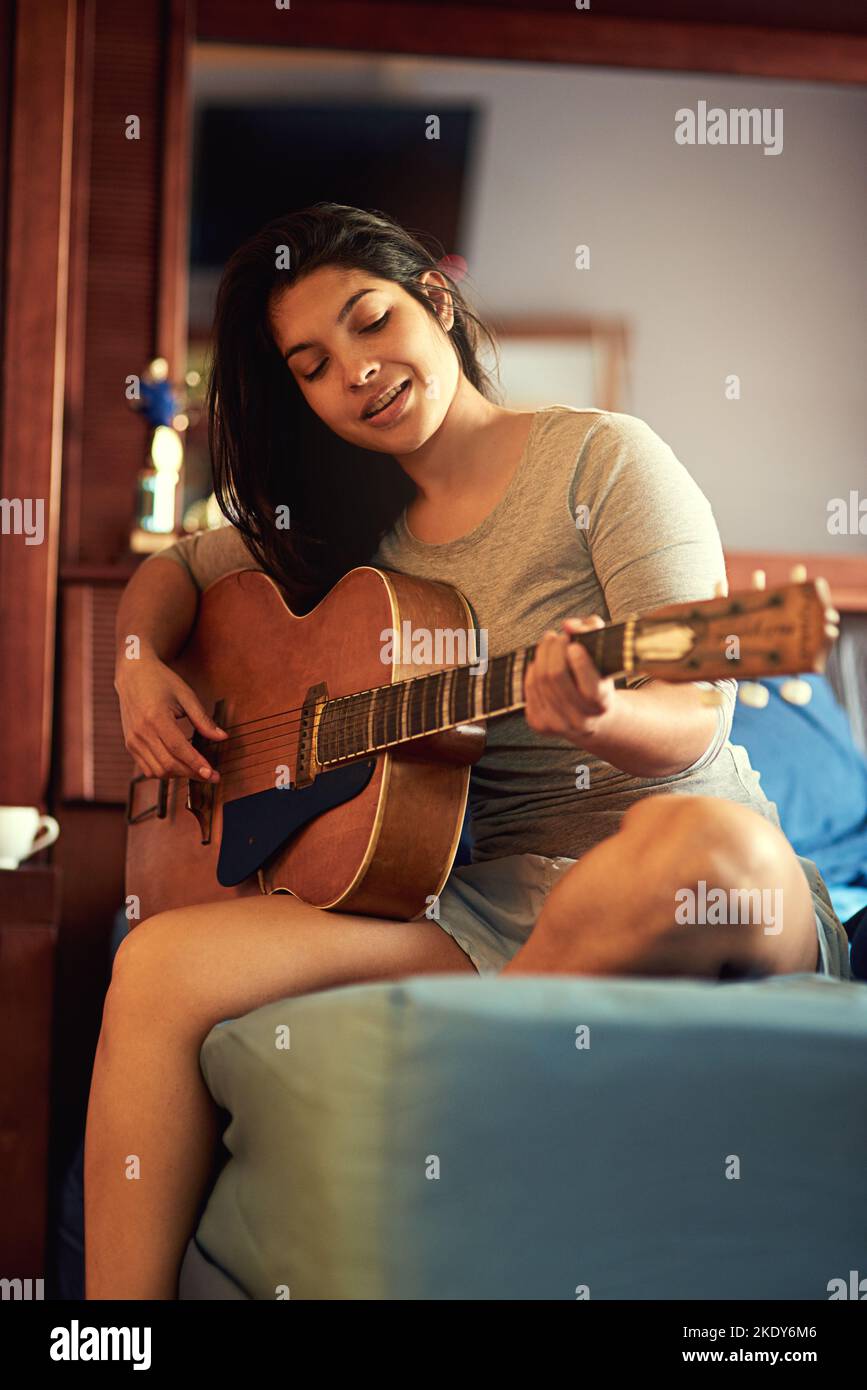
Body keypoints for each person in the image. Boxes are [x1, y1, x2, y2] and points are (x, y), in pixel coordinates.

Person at [85, 202, 851, 1301]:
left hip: (678, 868)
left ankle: (466, 1095)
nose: (355, 370)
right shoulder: (342, 527)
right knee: (153, 964)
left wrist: (600, 716)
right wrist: (132, 662)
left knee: (711, 849)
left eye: (370, 320)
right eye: (312, 364)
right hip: (473, 903)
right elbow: (176, 570)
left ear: (435, 300)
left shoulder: (604, 462)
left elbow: (700, 718)